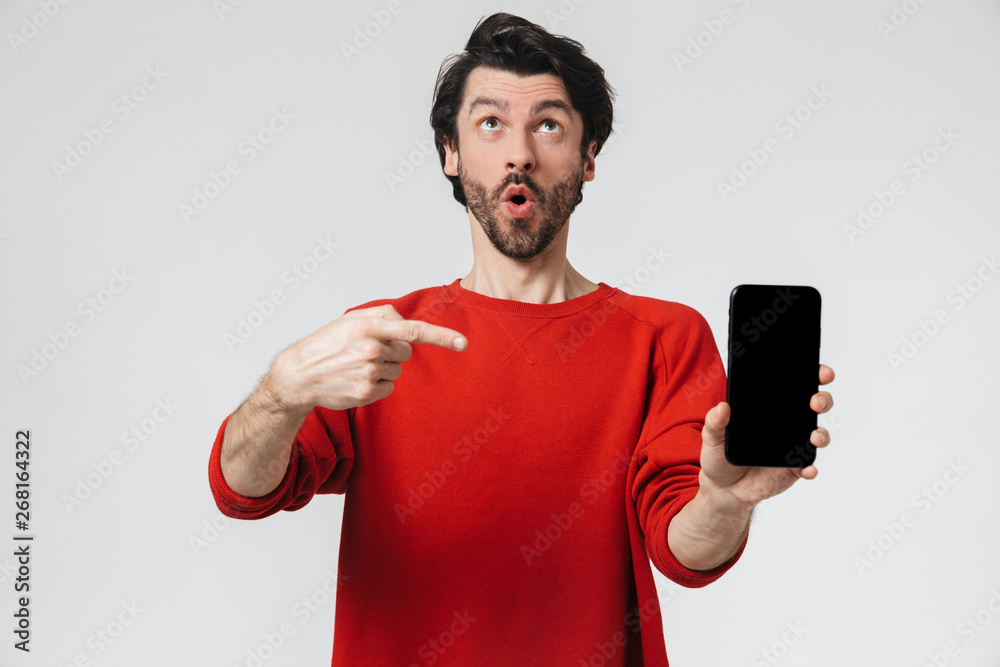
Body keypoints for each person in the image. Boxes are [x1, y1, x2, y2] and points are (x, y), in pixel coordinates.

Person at [207, 12, 835, 666]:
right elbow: (243, 488)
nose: (519, 152)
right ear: (450, 152)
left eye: (549, 125)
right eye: (490, 123)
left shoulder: (665, 338)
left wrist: (725, 501)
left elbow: (686, 551)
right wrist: (281, 393)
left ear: (588, 157)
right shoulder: (381, 336)